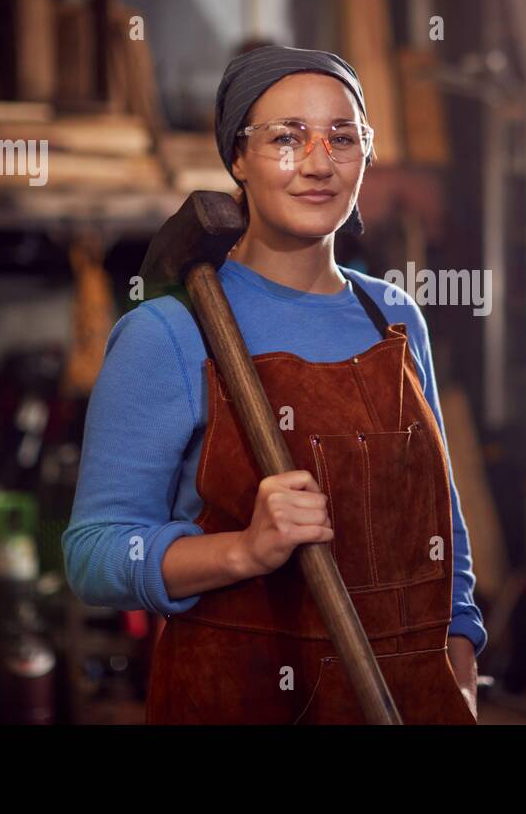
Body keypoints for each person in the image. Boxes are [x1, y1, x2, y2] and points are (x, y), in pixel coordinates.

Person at [62, 44, 485, 723]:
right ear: (237, 158)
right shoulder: (169, 334)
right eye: (285, 138)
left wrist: (459, 663)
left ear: (365, 155)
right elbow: (94, 555)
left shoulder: (395, 318)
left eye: (342, 137)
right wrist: (244, 549)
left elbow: (443, 528)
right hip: (243, 699)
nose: (318, 163)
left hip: (407, 698)